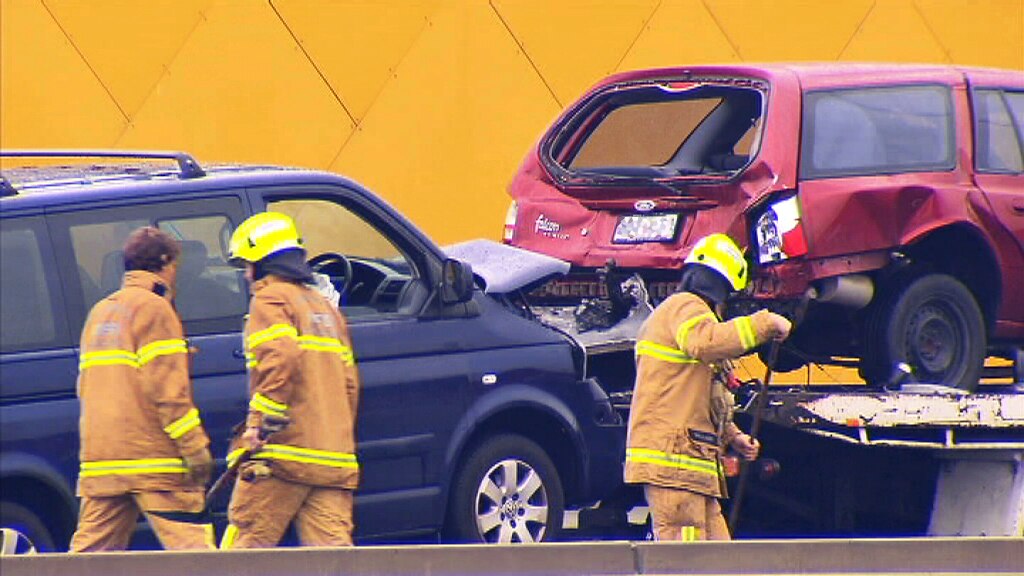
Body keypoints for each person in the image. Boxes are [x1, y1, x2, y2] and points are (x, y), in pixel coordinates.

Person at [624, 233, 792, 541]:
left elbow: (701, 397)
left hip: (690, 463)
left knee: (717, 560)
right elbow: (706, 342)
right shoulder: (686, 307)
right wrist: (764, 324)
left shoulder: (680, 314)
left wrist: (734, 437)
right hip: (675, 462)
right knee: (687, 563)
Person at [220, 212, 360, 549]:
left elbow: (281, 358)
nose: (246, 275)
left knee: (243, 553)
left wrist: (257, 426)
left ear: (264, 263)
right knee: (333, 562)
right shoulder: (326, 310)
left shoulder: (269, 300)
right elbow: (350, 386)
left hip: (282, 455)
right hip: (333, 460)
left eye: (247, 265)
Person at [71, 227, 214, 551]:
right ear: (165, 263)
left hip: (101, 461)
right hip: (154, 461)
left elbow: (84, 387)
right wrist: (194, 448)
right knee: (196, 556)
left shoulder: (100, 312)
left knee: (88, 560)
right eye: (175, 265)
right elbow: (168, 392)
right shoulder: (155, 309)